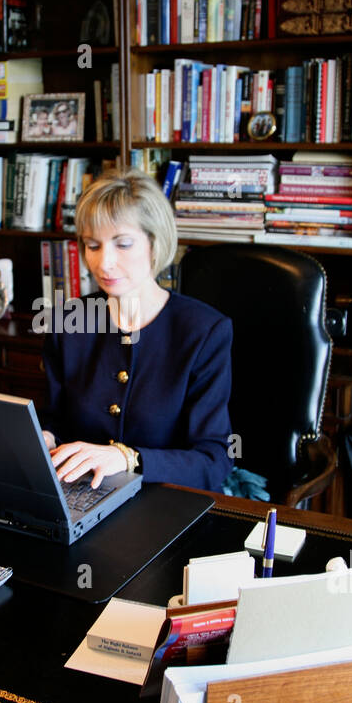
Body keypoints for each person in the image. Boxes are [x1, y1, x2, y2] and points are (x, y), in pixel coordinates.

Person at [40, 169, 233, 491]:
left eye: (123, 244)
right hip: (81, 493)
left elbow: (214, 459)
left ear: (154, 244)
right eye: (93, 246)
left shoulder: (204, 331)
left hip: (165, 498)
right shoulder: (67, 321)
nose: (105, 262)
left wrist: (127, 458)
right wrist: (44, 438)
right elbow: (54, 419)